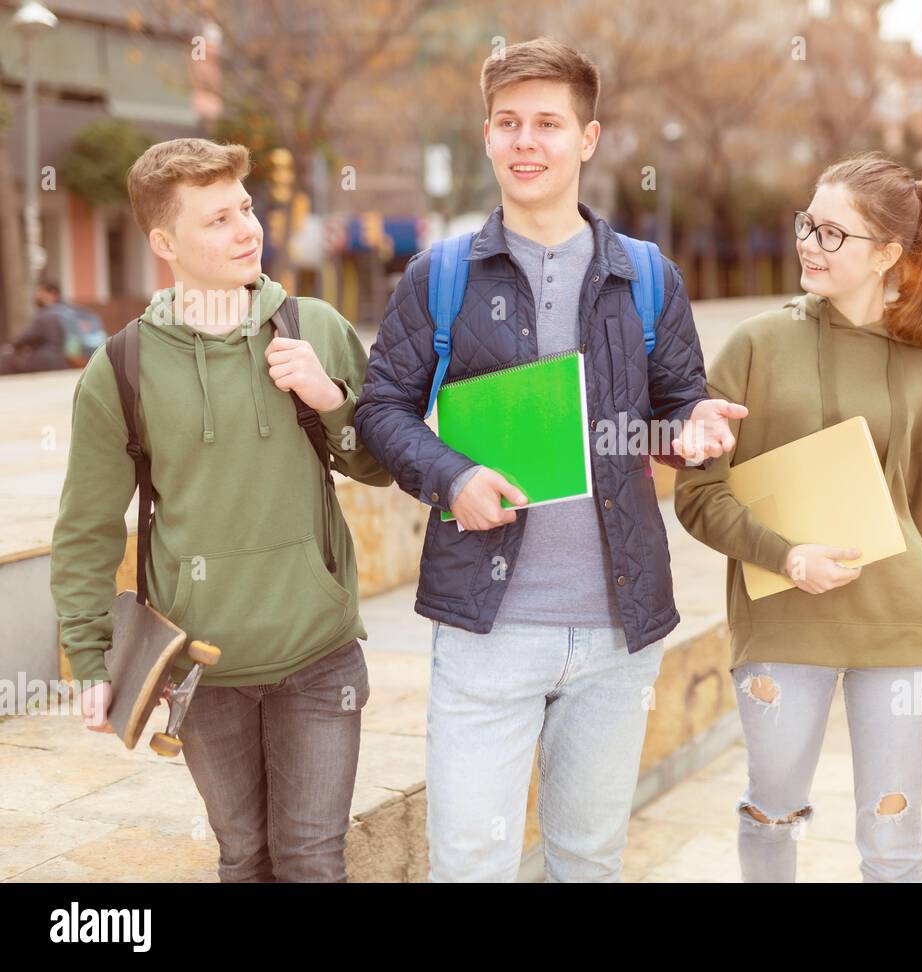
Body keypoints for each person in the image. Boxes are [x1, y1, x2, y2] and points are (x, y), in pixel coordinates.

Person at [355, 36, 745, 883]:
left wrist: (695, 426)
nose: (527, 141)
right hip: (487, 630)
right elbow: (379, 407)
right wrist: (452, 474)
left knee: (589, 859)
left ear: (587, 139)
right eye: (508, 123)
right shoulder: (442, 276)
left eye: (547, 123)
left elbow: (675, 409)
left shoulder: (647, 277)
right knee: (471, 863)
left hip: (618, 629)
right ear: (486, 138)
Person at [50, 137, 392, 882]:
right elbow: (85, 528)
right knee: (243, 857)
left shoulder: (314, 328)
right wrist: (88, 657)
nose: (247, 229)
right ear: (164, 242)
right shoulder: (123, 368)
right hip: (201, 670)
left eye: (245, 207)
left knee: (311, 857)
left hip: (317, 654)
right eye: (218, 219)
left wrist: (330, 399)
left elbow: (377, 466)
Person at [674, 151, 922, 882]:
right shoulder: (755, 346)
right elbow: (698, 494)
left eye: (834, 233)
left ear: (888, 254)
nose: (809, 242)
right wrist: (786, 556)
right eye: (808, 224)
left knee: (894, 838)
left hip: (894, 627)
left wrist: (917, 614)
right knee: (773, 811)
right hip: (782, 620)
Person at [0, 281, 77, 374]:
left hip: (47, 360)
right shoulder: (68, 312)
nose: (36, 296)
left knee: (7, 358)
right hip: (66, 361)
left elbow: (27, 337)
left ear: (53, 295)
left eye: (40, 293)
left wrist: (11, 345)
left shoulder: (46, 314)